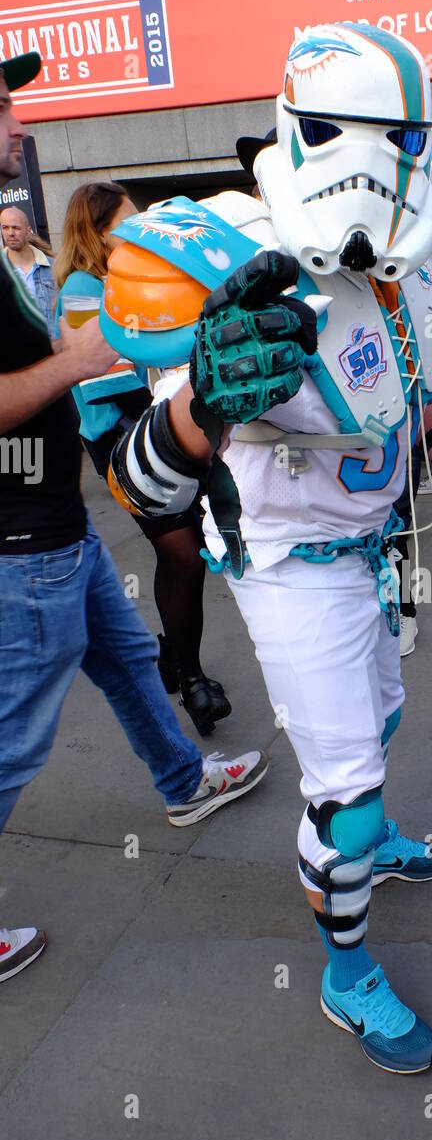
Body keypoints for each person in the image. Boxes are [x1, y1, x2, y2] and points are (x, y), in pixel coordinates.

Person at [104, 23, 432, 1074]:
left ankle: (370, 844)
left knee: (381, 713)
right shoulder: (226, 250)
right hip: (287, 562)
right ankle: (344, 973)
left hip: (373, 542)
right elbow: (140, 479)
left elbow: (419, 393)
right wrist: (204, 397)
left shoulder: (410, 257)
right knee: (344, 797)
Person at [0, 53, 268, 985]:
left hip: (55, 524)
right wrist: (84, 357)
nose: (19, 125)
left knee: (127, 663)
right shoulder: (46, 274)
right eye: (4, 108)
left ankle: (185, 782)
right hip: (20, 541)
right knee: (13, 741)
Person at [54, 181, 233, 734]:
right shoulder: (83, 289)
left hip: (153, 428)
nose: (138, 232)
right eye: (126, 223)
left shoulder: (125, 279)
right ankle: (190, 674)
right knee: (180, 551)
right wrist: (174, 402)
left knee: (183, 553)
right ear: (95, 230)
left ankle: (175, 658)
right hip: (120, 435)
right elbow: (106, 380)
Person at [1, 204, 56, 336]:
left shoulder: (53, 267)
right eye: (5, 228)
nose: (10, 233)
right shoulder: (2, 271)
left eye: (16, 228)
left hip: (52, 345)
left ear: (28, 231)